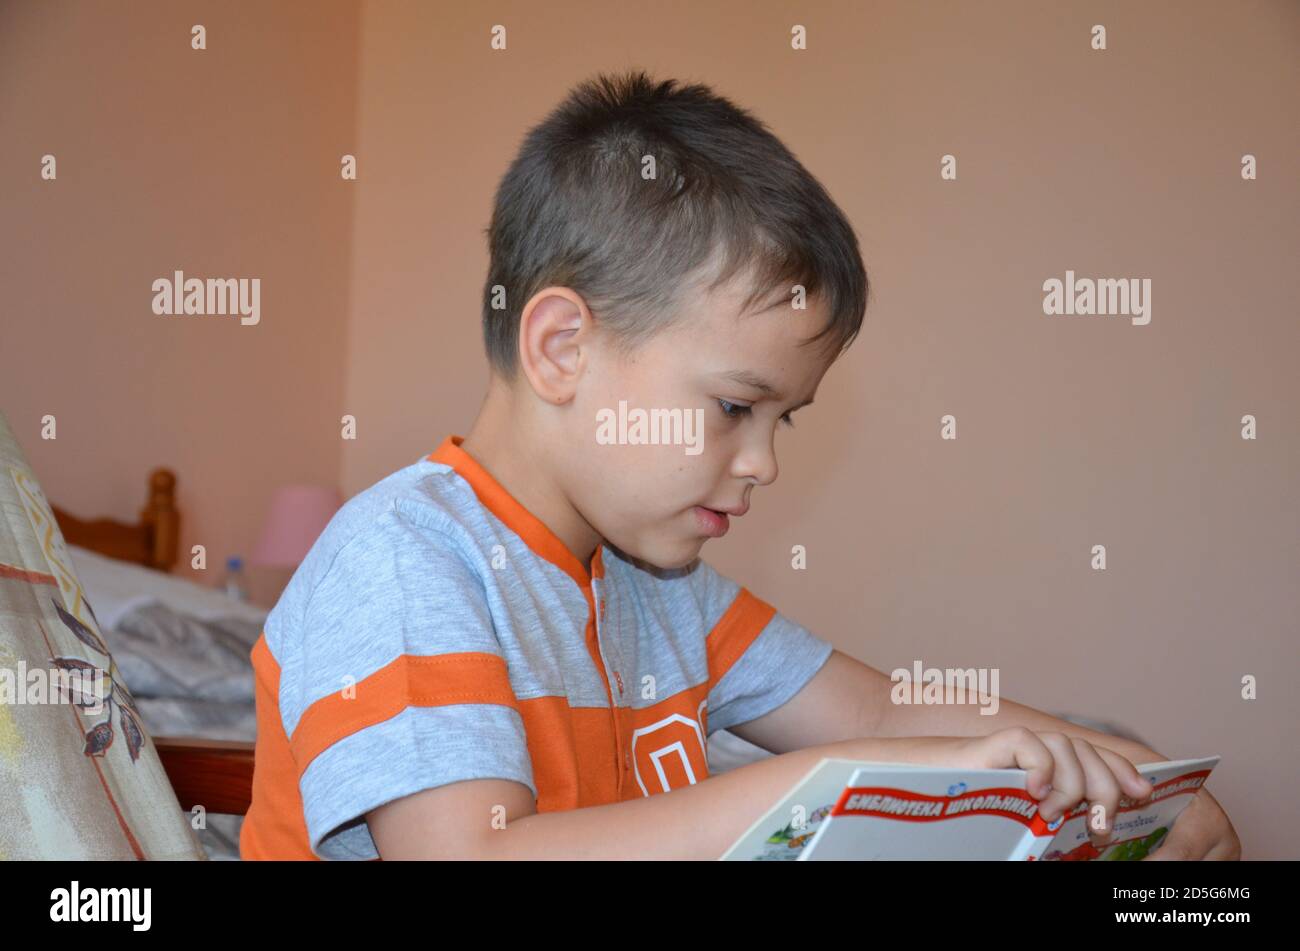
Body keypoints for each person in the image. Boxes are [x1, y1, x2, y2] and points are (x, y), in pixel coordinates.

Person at [240, 70, 1239, 860]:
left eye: (783, 422)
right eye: (732, 408)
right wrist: (823, 782)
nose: (759, 463)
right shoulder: (404, 559)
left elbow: (881, 707)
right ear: (560, 350)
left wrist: (1121, 769)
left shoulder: (659, 586)